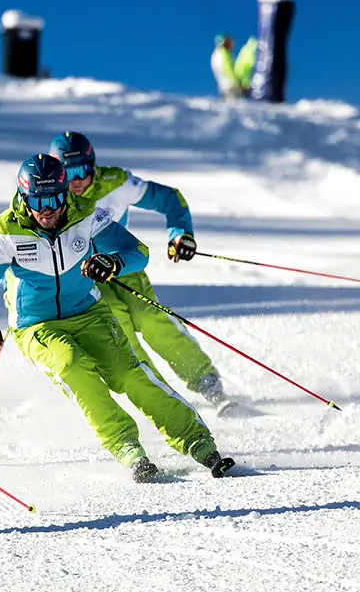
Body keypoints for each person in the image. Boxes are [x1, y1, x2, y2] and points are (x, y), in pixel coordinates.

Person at [0, 154, 235, 483]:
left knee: (131, 375)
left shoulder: (87, 213)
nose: (46, 210)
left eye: (53, 199)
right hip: (36, 326)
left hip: (89, 313)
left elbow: (138, 252)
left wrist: (113, 262)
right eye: (37, 200)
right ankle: (127, 448)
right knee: (73, 366)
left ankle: (199, 443)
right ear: (24, 196)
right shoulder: (5, 231)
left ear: (65, 194)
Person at [49, 131, 228, 407]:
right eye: (67, 172)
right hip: (86, 280)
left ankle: (208, 383)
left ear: (93, 165)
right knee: (121, 333)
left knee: (151, 319)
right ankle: (168, 402)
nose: (76, 180)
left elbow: (169, 199)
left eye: (82, 169)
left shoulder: (116, 182)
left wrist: (180, 233)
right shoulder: (50, 200)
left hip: (124, 266)